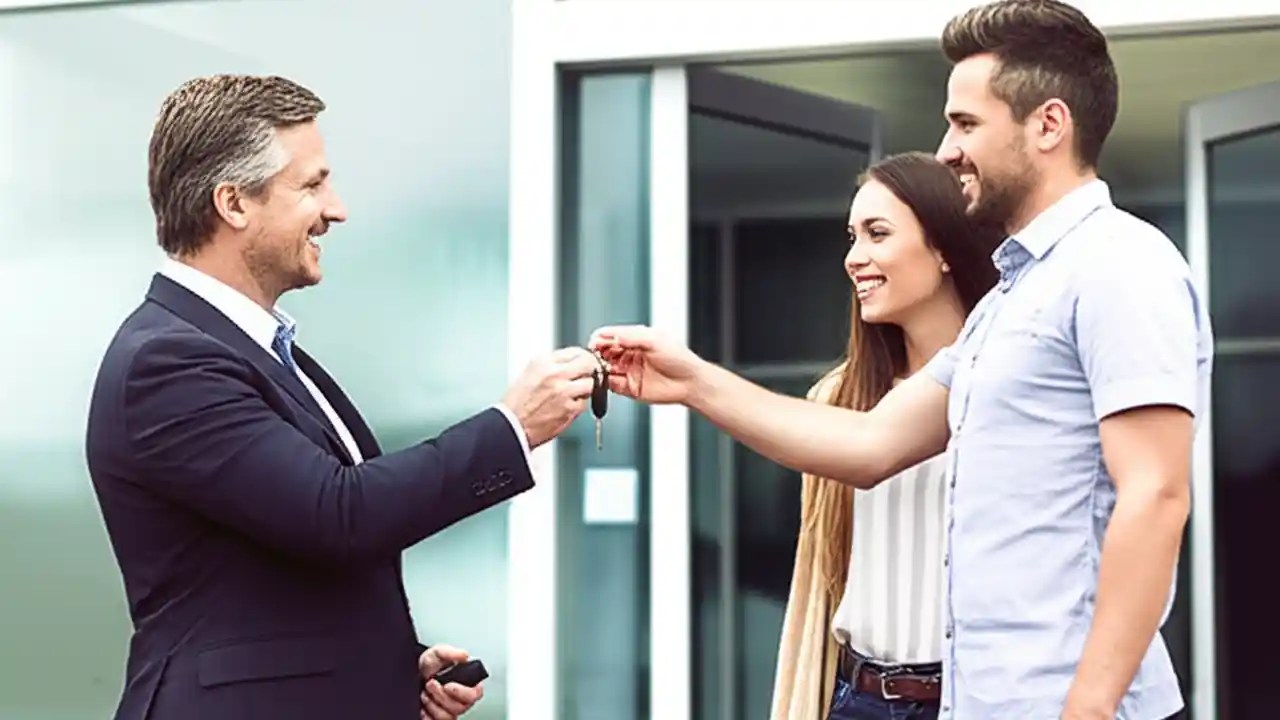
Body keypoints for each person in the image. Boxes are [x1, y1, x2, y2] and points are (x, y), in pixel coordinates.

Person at [592, 1, 1213, 718]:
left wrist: (1089, 709)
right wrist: (692, 380)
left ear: (1048, 124)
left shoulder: (1120, 265)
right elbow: (868, 443)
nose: (947, 149)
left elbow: (1156, 496)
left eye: (966, 123)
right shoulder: (1010, 302)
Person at [85, 74, 600, 720]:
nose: (337, 208)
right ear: (233, 204)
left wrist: (385, 665)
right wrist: (512, 426)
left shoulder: (260, 352)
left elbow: (284, 554)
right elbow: (338, 514)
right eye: (311, 184)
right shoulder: (167, 363)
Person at [767, 152, 1000, 720]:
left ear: (943, 247)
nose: (854, 258)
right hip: (858, 699)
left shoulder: (1001, 386)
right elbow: (815, 582)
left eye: (877, 233)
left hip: (975, 700)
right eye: (851, 236)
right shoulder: (838, 397)